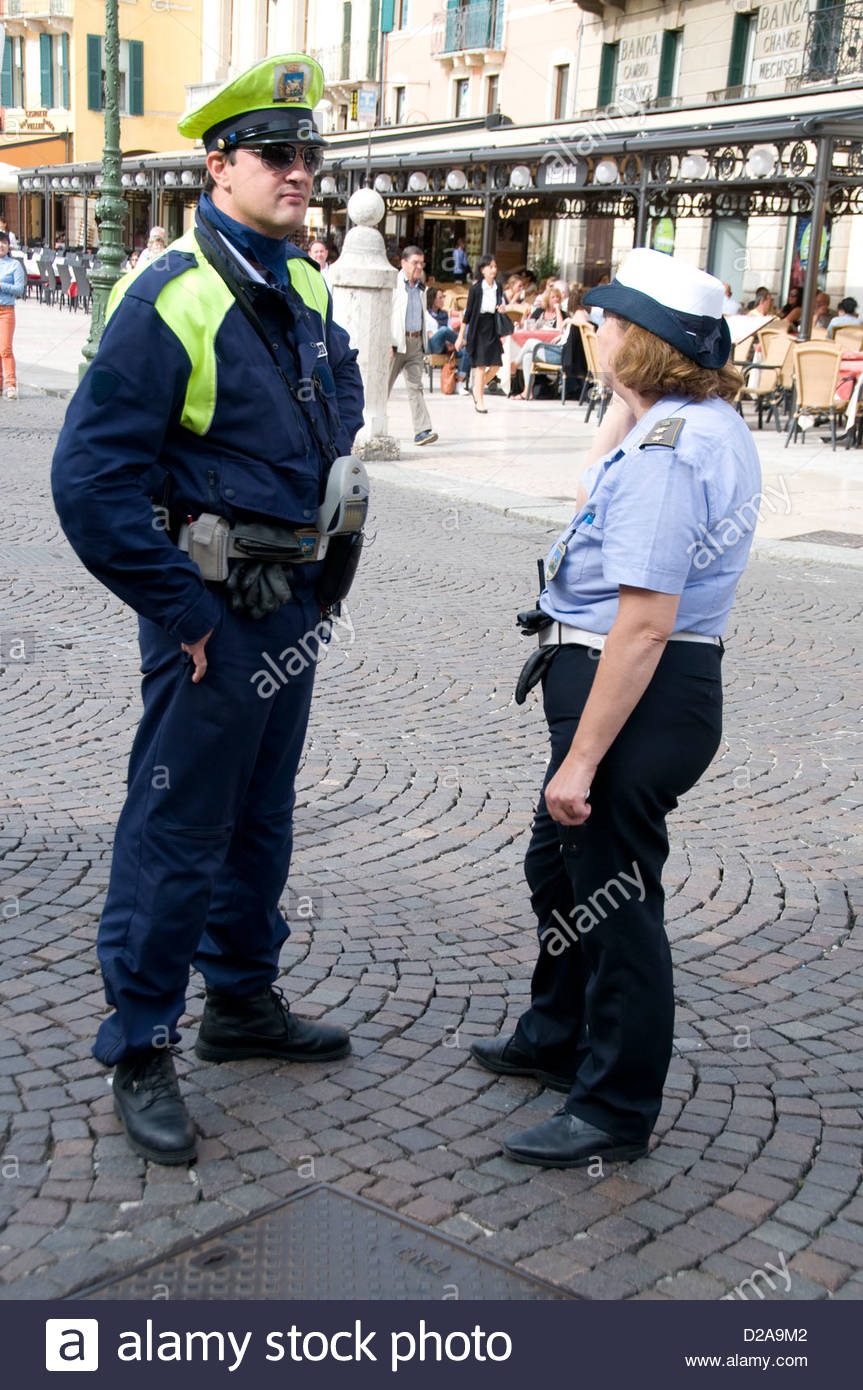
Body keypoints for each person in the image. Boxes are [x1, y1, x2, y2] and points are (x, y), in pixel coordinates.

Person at [51, 52, 365, 1166]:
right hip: (213, 615)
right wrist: (181, 608)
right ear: (216, 163)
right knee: (176, 830)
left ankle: (241, 1000)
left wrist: (326, 549)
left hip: (291, 606)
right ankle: (140, 1040)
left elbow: (332, 411)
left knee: (260, 818)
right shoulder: (168, 294)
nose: (299, 172)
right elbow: (87, 481)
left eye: (309, 154)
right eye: (277, 155)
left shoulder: (307, 280)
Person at [470, 248, 760, 1169]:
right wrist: (627, 403)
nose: (593, 333)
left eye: (609, 324)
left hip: (634, 692)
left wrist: (581, 761)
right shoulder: (682, 421)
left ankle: (611, 1107)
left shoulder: (671, 456)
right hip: (635, 686)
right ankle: (555, 1035)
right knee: (558, 875)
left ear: (643, 342)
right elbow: (598, 489)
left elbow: (641, 623)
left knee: (612, 903)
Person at [389, 244, 437, 446]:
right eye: (415, 262)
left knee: (416, 387)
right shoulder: (393, 284)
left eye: (421, 262)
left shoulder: (420, 288)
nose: (419, 266)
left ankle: (422, 430)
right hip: (394, 343)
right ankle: (364, 424)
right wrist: (386, 343)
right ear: (403, 263)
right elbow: (385, 315)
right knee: (382, 387)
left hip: (415, 342)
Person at [453, 254, 505, 413]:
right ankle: (480, 400)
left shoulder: (498, 287)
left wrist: (501, 309)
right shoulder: (476, 289)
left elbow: (499, 306)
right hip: (478, 327)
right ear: (483, 270)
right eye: (490, 266)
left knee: (496, 365)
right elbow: (468, 313)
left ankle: (477, 387)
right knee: (481, 366)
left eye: (495, 266)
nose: (493, 270)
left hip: (492, 327)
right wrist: (461, 336)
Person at [0, 230, 27, 400]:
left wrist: (1, 285)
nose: (1, 246)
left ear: (8, 246)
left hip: (6, 311)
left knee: (5, 348)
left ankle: (10, 385)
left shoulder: (14, 265)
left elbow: (19, 289)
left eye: (3, 243)